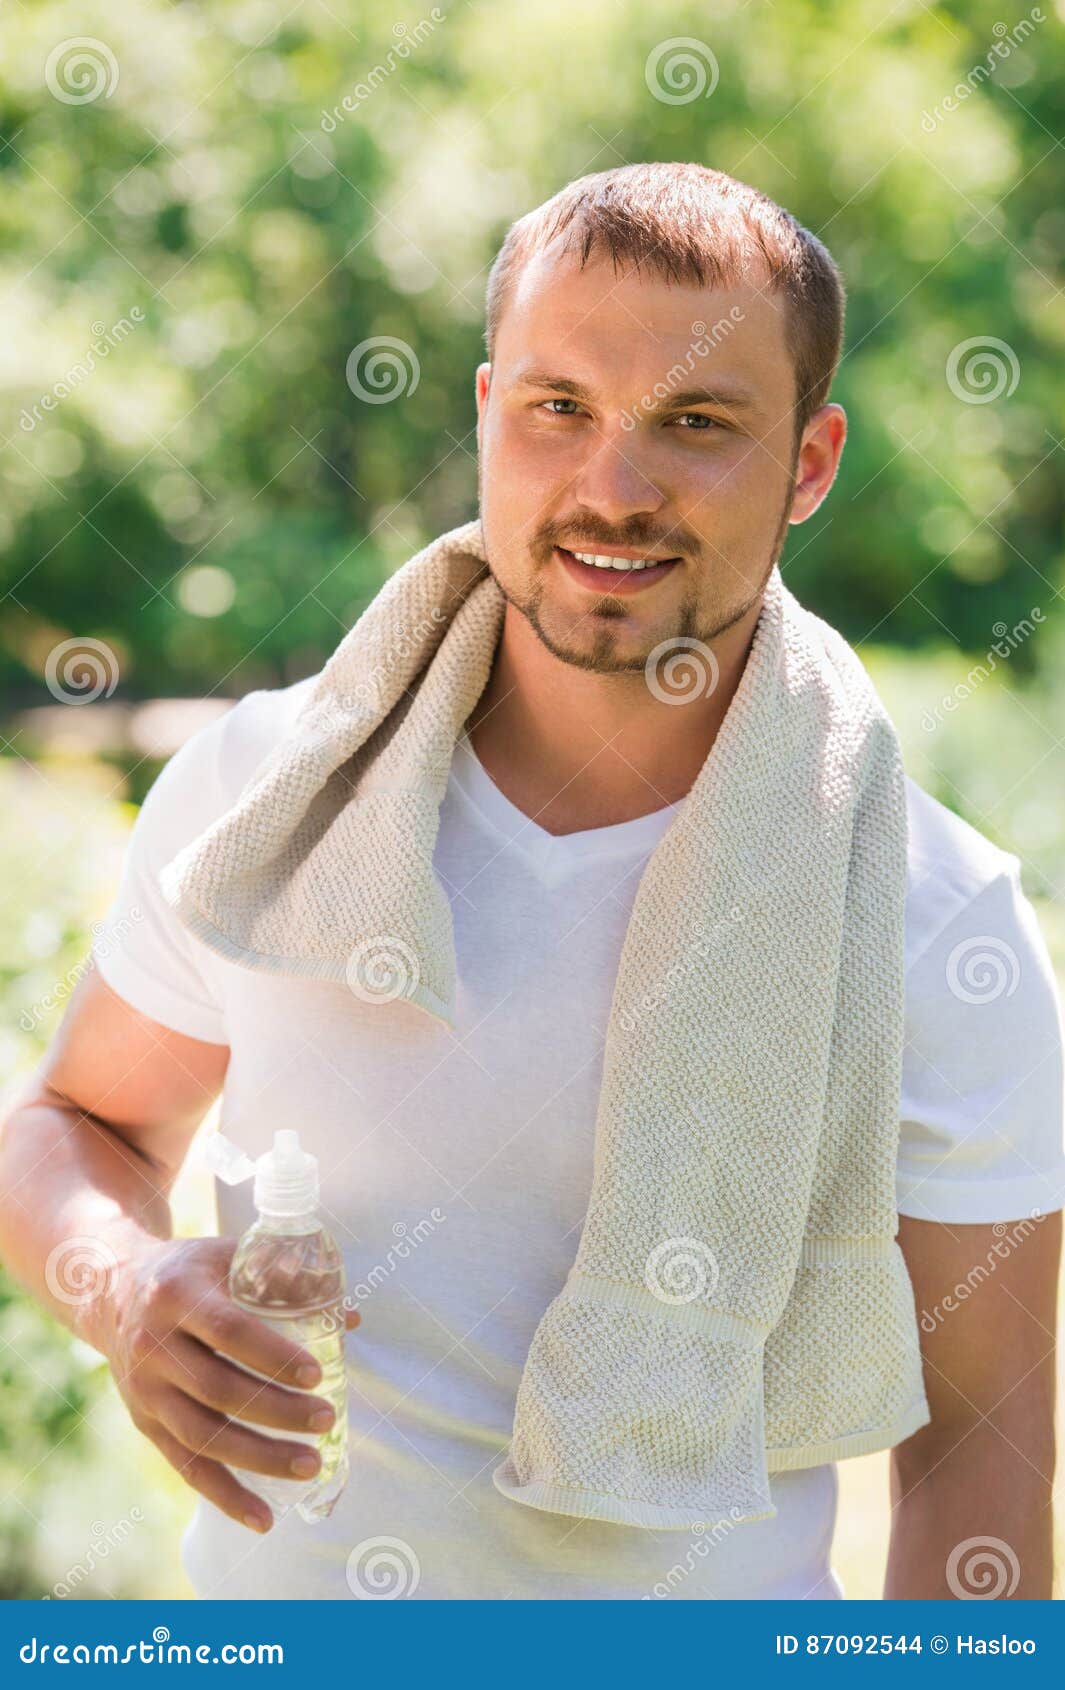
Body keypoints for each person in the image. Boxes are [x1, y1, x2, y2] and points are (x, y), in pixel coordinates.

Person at [2, 162, 1062, 1601]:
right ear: (490, 408)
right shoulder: (264, 793)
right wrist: (119, 1289)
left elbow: (977, 1453)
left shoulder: (936, 918)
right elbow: (78, 1121)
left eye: (694, 423)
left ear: (808, 462)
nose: (612, 488)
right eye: (559, 408)